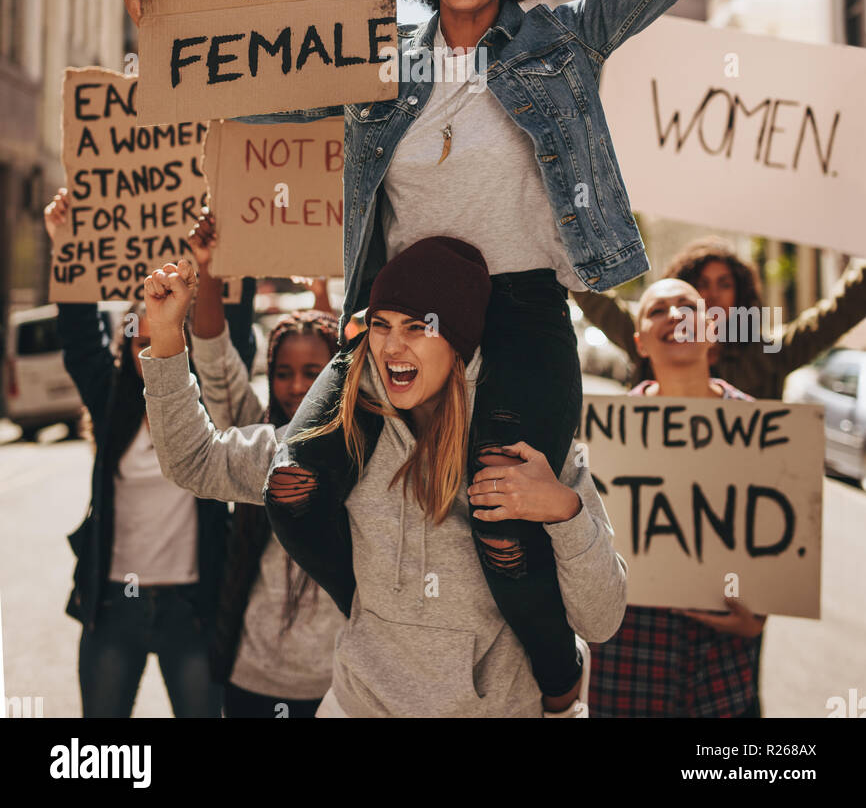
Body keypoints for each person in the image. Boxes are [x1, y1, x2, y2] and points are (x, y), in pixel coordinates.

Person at [122, 0, 848, 708]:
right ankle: (380, 618)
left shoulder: (565, 43)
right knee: (297, 485)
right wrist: (163, 22)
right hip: (394, 324)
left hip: (519, 315)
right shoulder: (374, 62)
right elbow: (257, 97)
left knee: (501, 517)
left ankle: (553, 673)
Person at [138, 238, 627, 719]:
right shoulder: (339, 437)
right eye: (381, 325)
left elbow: (601, 620)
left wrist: (566, 510)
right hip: (358, 706)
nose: (393, 345)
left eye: (417, 327)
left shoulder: (528, 454)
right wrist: (165, 338)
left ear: (458, 339)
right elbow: (193, 461)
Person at [43, 190, 252, 718]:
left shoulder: (199, 401)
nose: (149, 343)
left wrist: (221, 264)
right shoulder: (111, 403)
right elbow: (78, 339)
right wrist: (66, 247)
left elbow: (233, 341)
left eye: (162, 329)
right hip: (115, 607)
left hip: (192, 610)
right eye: (139, 334)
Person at [185, 212, 345, 718]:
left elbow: (342, 356)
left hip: (340, 688)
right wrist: (206, 270)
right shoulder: (257, 442)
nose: (297, 386)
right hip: (252, 680)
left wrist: (322, 291)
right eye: (282, 373)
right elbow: (213, 357)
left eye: (311, 373)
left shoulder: (360, 453)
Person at [587, 276, 765, 719]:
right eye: (657, 310)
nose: (674, 317)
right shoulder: (606, 432)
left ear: (712, 328)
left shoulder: (761, 428)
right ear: (640, 342)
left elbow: (773, 545)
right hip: (626, 666)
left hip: (720, 673)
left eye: (687, 306)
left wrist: (757, 617)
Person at [574, 235, 866, 399]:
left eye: (724, 284)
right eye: (702, 283)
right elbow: (594, 299)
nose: (712, 294)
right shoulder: (657, 335)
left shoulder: (770, 353)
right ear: (642, 344)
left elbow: (838, 315)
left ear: (741, 295)